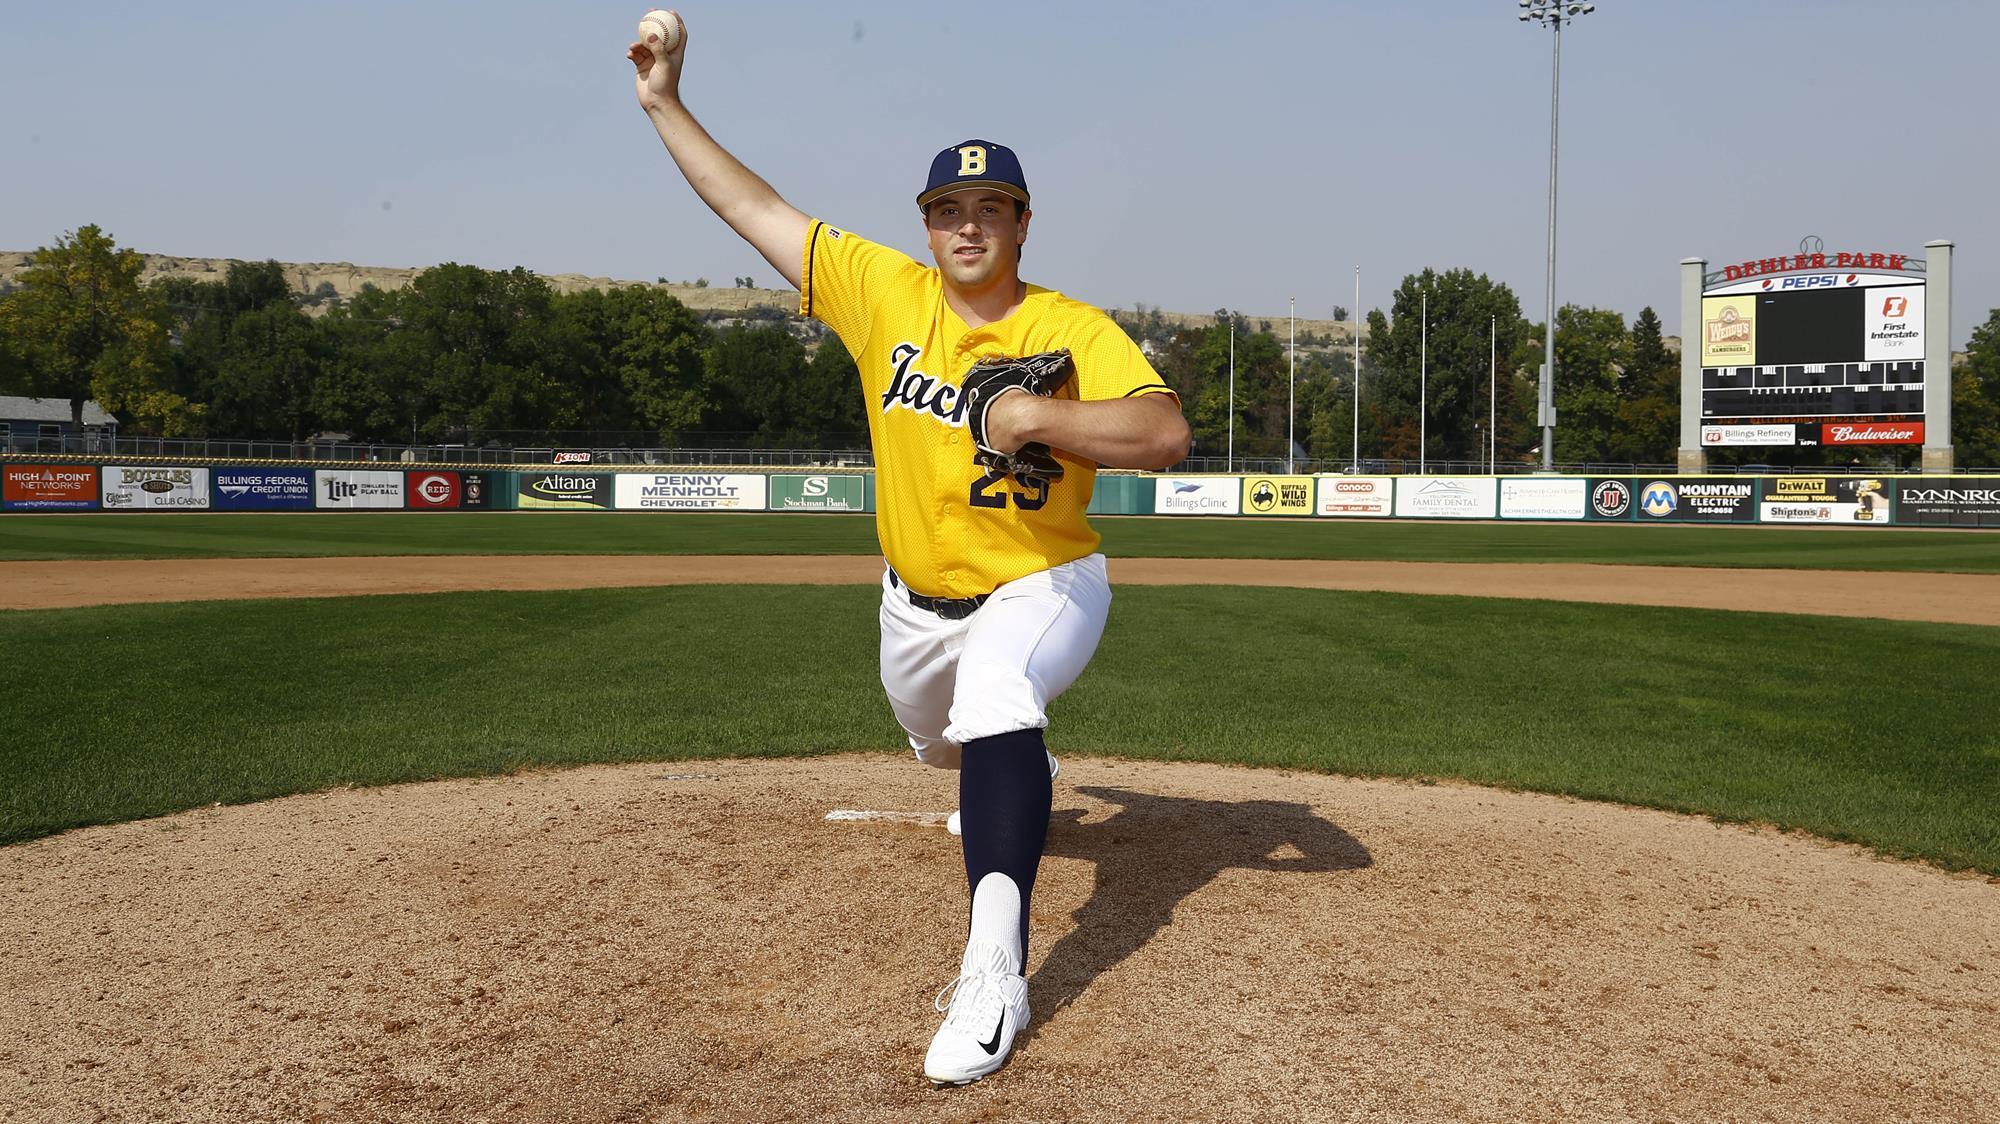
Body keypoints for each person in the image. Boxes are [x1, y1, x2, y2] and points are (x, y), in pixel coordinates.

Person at [627, 14, 1190, 1087]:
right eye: (946, 209)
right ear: (925, 225)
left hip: (1043, 579)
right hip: (911, 606)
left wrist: (1039, 415)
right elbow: (751, 207)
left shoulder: (1075, 327)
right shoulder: (880, 291)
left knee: (995, 696)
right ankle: (1016, 769)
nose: (965, 225)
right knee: (951, 744)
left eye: (988, 208)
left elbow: (1162, 434)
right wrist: (663, 103)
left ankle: (994, 974)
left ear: (1022, 222)